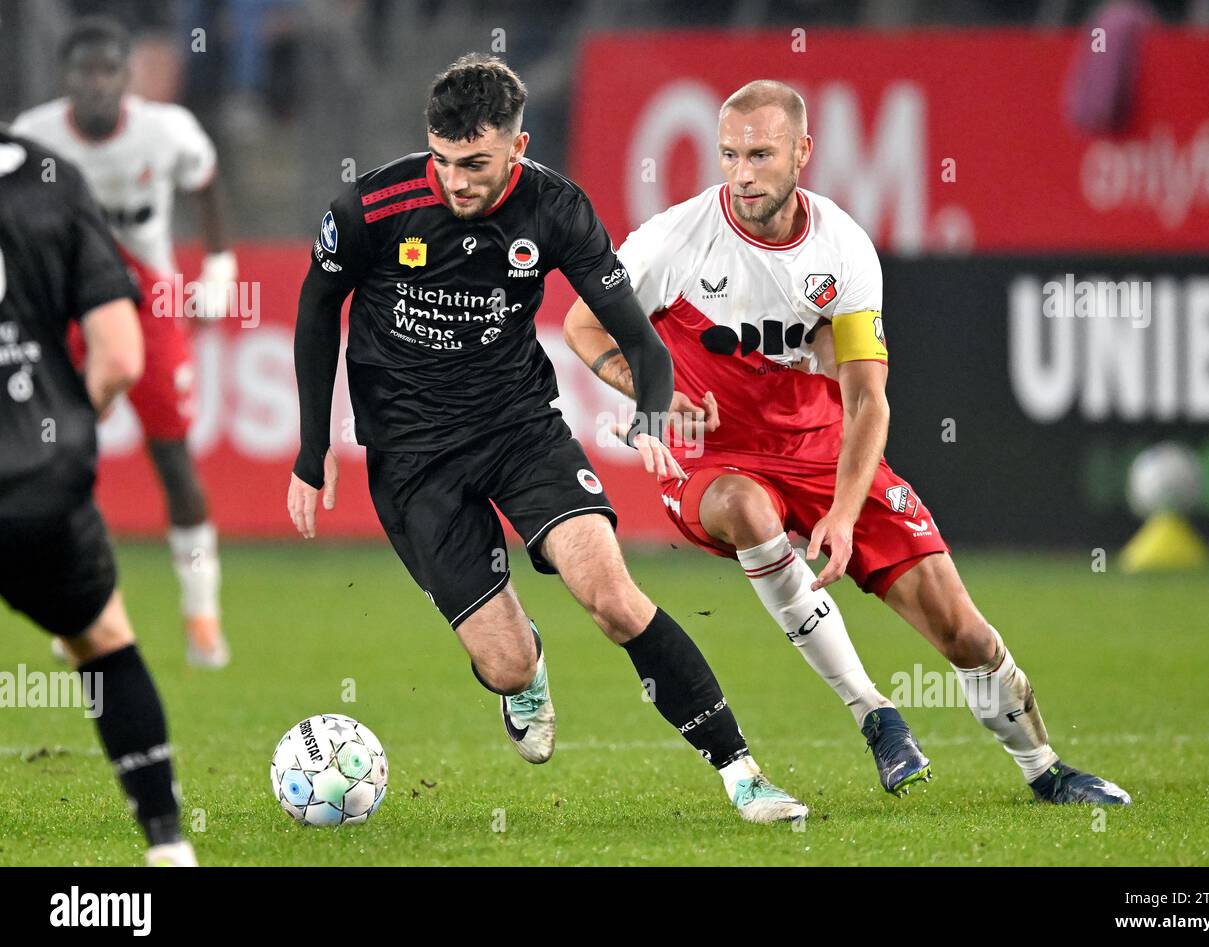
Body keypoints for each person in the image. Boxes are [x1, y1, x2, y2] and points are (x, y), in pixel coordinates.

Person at [564, 80, 1131, 806]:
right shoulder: (672, 238)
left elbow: (866, 400)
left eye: (761, 154)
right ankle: (876, 714)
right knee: (748, 511)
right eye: (729, 155)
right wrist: (642, 388)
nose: (742, 174)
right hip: (714, 459)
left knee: (963, 632)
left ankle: (1045, 770)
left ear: (803, 152)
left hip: (823, 451)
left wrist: (841, 508)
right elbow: (584, 323)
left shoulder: (843, 251)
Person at [288, 55, 806, 823]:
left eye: (475, 163)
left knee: (612, 597)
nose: (455, 181)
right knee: (501, 664)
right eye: (442, 160)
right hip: (412, 457)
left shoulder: (556, 210)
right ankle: (526, 668)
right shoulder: (373, 208)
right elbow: (314, 309)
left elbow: (642, 340)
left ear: (518, 148)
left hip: (518, 429)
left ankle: (742, 772)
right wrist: (310, 449)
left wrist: (654, 412)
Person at [0, 128, 196, 865]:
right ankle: (167, 845)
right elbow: (119, 357)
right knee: (102, 642)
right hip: (37, 485)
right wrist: (62, 433)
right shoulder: (51, 180)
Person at [13, 16, 234, 667]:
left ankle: (202, 614)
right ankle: (76, 610)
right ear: (66, 79)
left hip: (151, 303)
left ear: (125, 76)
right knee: (59, 462)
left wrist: (220, 266)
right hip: (66, 309)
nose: (97, 83)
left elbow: (206, 183)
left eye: (108, 70)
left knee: (174, 463)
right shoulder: (34, 137)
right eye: (84, 71)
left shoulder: (165, 131)